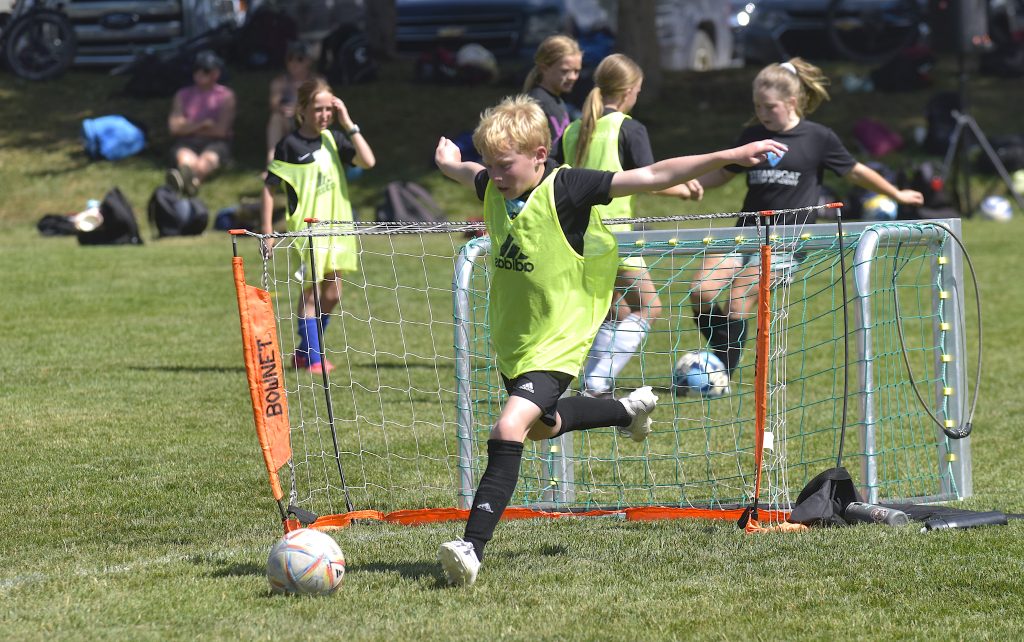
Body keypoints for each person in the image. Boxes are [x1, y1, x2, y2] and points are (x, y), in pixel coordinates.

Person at [433, 95, 786, 586]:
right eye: (490, 165)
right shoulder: (494, 182)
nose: (494, 175)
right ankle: (626, 411)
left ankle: (472, 547)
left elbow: (651, 175)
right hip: (515, 340)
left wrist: (724, 156)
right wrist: (452, 164)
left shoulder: (570, 187)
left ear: (540, 154)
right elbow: (467, 171)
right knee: (541, 426)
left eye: (505, 165)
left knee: (508, 428)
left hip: (559, 343)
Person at [691, 58, 924, 379]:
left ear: (791, 102)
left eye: (769, 106)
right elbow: (722, 174)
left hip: (787, 242)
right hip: (744, 234)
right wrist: (686, 185)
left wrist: (897, 195)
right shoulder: (753, 134)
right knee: (701, 291)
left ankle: (720, 373)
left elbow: (856, 172)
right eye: (757, 105)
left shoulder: (818, 138)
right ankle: (719, 353)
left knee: (740, 293)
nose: (761, 113)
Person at [561, 53, 704, 397]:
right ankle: (595, 382)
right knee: (649, 306)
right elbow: (649, 178)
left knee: (616, 310)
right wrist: (684, 189)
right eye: (638, 90)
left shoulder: (573, 129)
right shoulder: (627, 128)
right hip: (615, 233)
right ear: (628, 91)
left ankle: (595, 384)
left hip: (579, 233)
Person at [260, 78, 376, 374]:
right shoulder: (290, 145)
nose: (324, 115)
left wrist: (348, 122)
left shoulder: (334, 140)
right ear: (302, 109)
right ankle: (313, 357)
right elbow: (269, 187)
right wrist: (267, 233)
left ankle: (302, 352)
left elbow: (368, 161)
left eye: (329, 109)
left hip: (338, 227)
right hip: (308, 229)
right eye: (318, 109)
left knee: (333, 294)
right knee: (312, 293)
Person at [167, 50, 236, 196]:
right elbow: (174, 128)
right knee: (185, 160)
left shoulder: (226, 96)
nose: (199, 74)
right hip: (187, 142)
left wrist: (187, 126)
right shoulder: (182, 95)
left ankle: (189, 184)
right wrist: (203, 124)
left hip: (216, 143)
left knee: (207, 161)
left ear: (216, 73)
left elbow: (221, 131)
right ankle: (190, 183)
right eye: (196, 70)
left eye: (205, 70)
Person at [523, 34, 582, 152]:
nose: (573, 77)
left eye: (576, 71)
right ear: (544, 68)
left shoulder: (557, 100)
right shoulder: (535, 103)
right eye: (565, 71)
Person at [266, 40, 321, 165]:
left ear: (308, 61)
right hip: (287, 122)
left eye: (299, 59)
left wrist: (298, 109)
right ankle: (272, 164)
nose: (294, 63)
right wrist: (281, 108)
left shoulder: (318, 82)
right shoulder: (280, 82)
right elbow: (273, 104)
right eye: (290, 59)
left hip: (309, 121)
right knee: (276, 118)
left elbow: (324, 106)